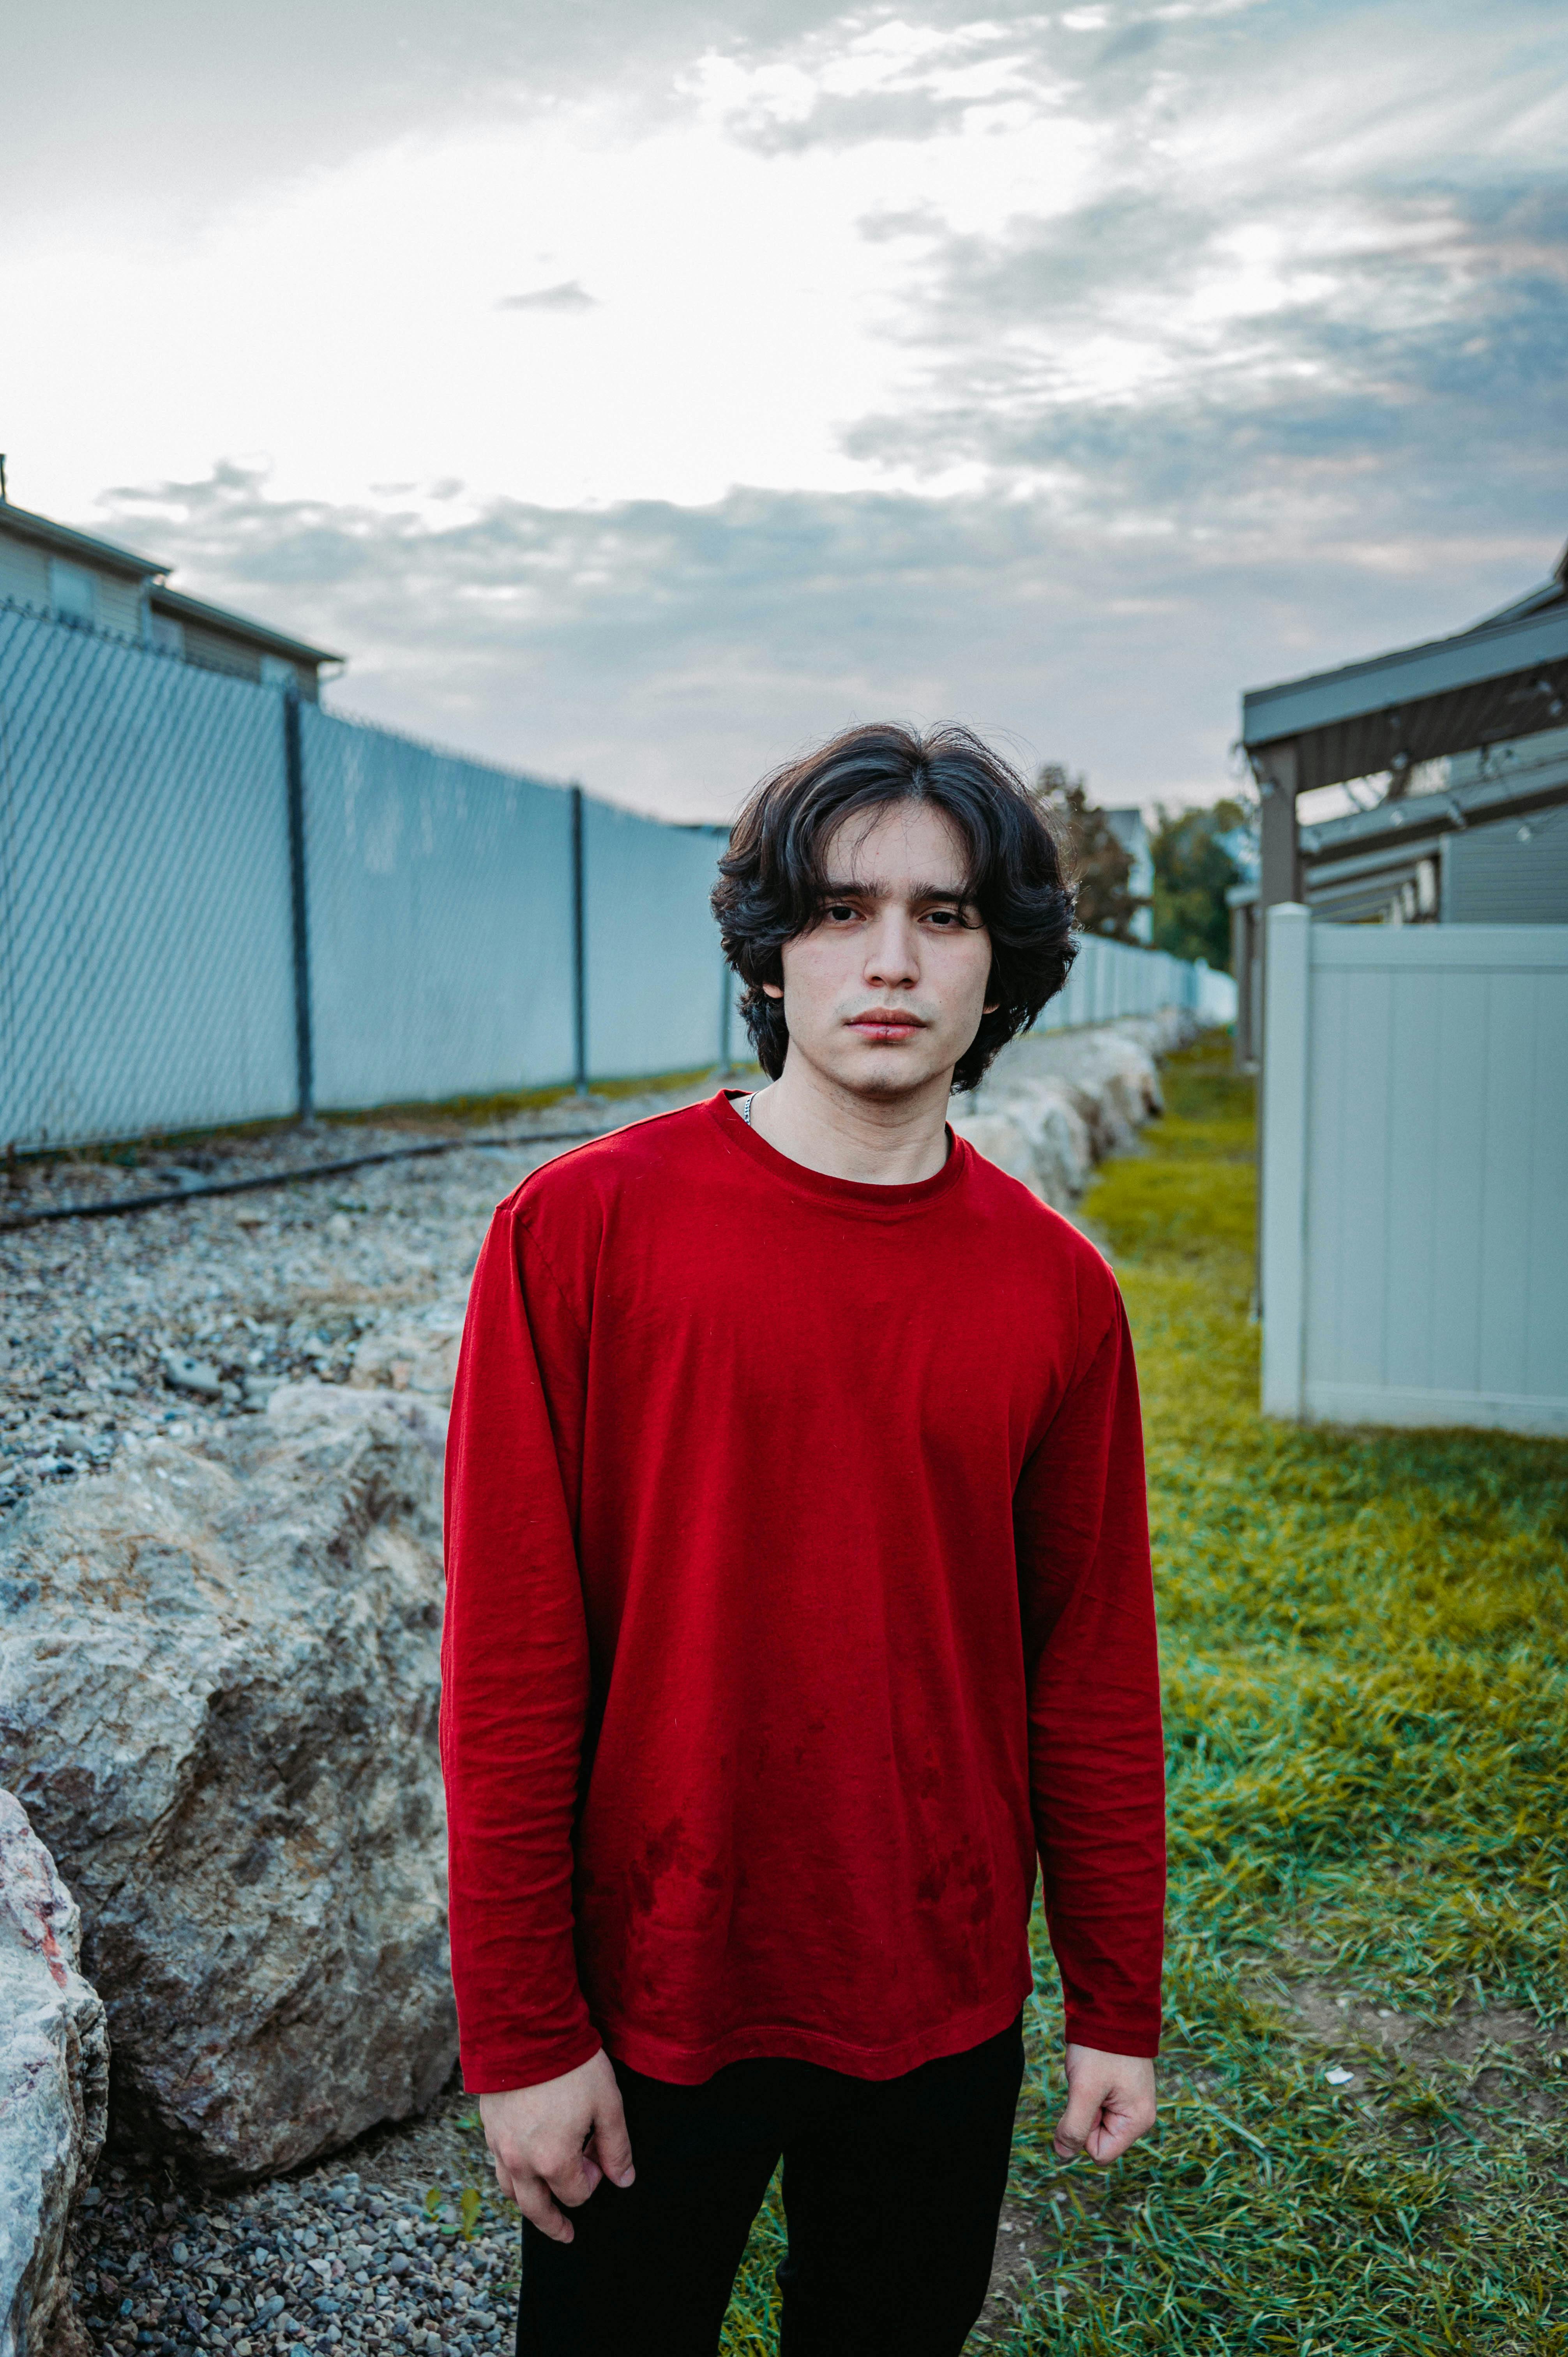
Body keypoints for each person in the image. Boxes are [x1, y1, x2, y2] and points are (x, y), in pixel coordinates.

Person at [441, 723, 1166, 2357]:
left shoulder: (1058, 1292)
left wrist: (1113, 1998)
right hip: (652, 1993)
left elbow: (1092, 1668)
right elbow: (507, 1665)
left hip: (938, 1988)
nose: (890, 960)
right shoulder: (577, 1234)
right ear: (769, 953)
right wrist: (521, 2031)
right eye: (839, 913)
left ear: (1007, 963)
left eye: (945, 914)